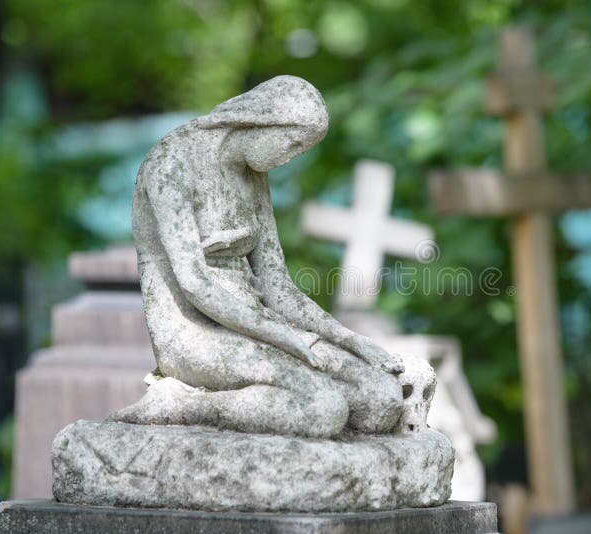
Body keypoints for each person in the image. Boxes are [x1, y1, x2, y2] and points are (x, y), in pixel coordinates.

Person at [114, 76, 403, 438]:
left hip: (260, 324)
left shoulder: (253, 176)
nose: (292, 154)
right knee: (322, 407)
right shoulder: (171, 163)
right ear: (262, 120)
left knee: (381, 399)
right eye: (293, 142)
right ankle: (185, 403)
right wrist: (281, 336)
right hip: (194, 332)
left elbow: (278, 288)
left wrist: (348, 339)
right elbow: (194, 283)